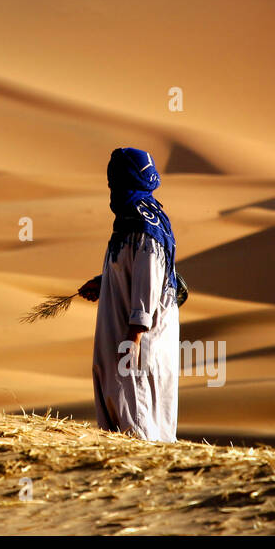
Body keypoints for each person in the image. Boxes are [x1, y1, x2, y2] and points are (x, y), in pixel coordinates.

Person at [88, 147, 180, 442]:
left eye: (115, 181)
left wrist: (135, 334)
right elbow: (133, 269)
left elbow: (149, 280)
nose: (111, 188)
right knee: (122, 400)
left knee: (139, 411)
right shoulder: (132, 220)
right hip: (123, 329)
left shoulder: (145, 225)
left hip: (138, 336)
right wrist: (104, 282)